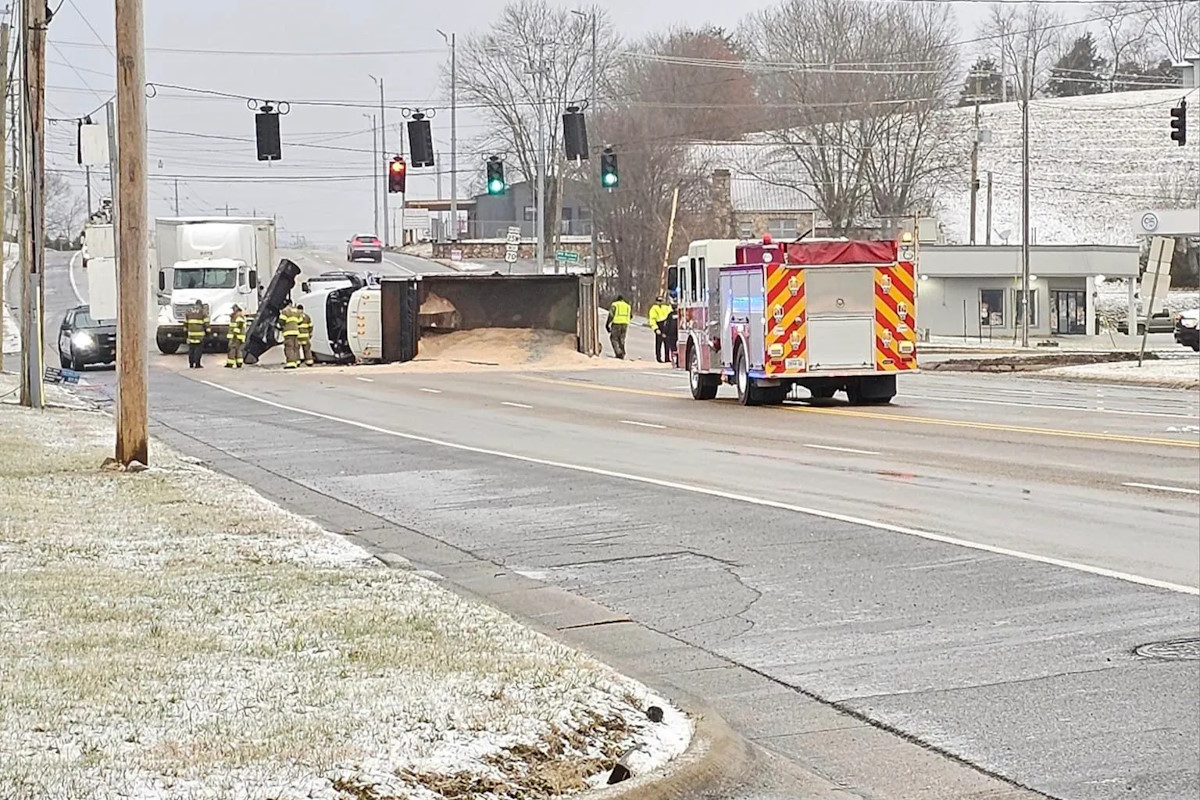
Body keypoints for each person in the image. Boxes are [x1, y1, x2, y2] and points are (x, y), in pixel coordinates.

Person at [648, 296, 673, 363]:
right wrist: (656, 329)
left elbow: (671, 312)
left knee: (667, 343)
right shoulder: (654, 309)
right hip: (659, 325)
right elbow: (652, 319)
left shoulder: (666, 307)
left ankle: (667, 358)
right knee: (658, 343)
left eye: (661, 301)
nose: (660, 303)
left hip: (666, 325)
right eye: (658, 301)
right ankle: (658, 358)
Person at [184, 300, 208, 369]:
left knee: (191, 348)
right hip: (199, 334)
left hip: (191, 333)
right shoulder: (202, 312)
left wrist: (185, 332)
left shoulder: (189, 312)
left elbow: (185, 323)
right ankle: (197, 364)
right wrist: (208, 332)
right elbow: (206, 323)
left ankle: (191, 363)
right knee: (198, 349)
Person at [607, 294, 632, 360]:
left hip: (616, 323)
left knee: (614, 338)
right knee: (622, 339)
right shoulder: (627, 306)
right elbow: (631, 316)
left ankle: (618, 352)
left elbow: (611, 315)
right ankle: (623, 353)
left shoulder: (615, 304)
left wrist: (607, 324)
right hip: (625, 324)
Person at [279, 303, 300, 369]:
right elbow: (300, 321)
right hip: (296, 332)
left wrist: (281, 326)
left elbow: (281, 321)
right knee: (295, 347)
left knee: (289, 347)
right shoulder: (296, 311)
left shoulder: (285, 311)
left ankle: (291, 363)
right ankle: (296, 361)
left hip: (288, 332)